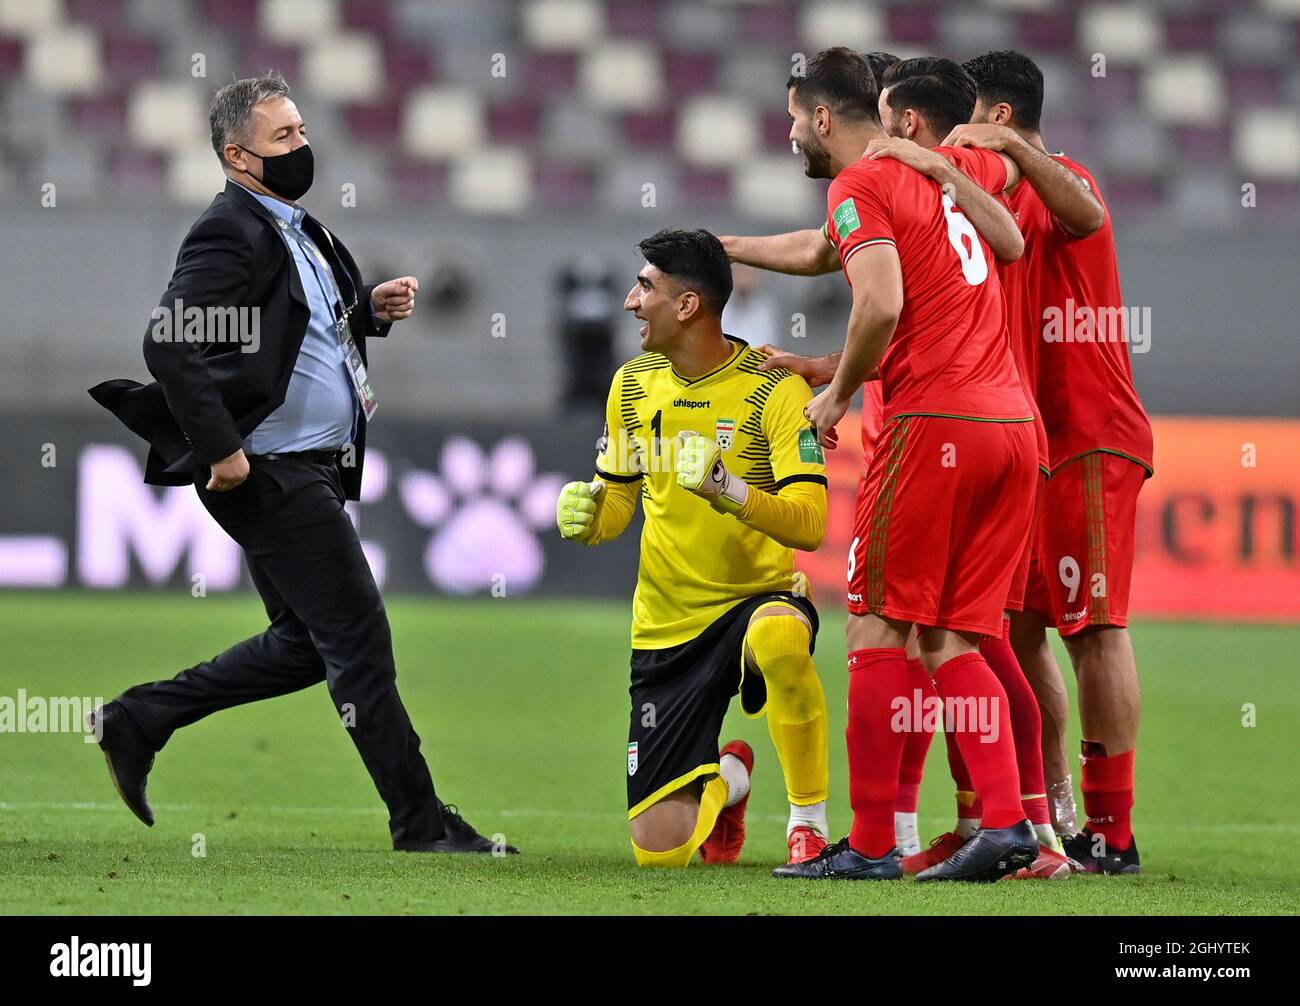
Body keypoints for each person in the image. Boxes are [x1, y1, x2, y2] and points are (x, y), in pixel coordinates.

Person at [86, 72, 509, 854]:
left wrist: (366, 314)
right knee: (360, 642)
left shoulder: (291, 226)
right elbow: (169, 341)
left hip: (304, 468)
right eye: (284, 138)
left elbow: (290, 334)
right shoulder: (231, 232)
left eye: (303, 131)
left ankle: (139, 718)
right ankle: (421, 825)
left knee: (308, 645)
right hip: (270, 471)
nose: (302, 147)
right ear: (236, 155)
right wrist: (223, 452)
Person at [750, 47, 1037, 882]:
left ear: (826, 117)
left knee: (875, 623)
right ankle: (1010, 824)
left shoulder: (860, 184)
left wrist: (835, 395)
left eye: (797, 116)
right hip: (1010, 427)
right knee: (952, 637)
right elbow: (1012, 240)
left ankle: (874, 842)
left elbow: (879, 303)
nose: (792, 131)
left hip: (935, 423)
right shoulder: (941, 169)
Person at [556, 229, 832, 867]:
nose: (629, 302)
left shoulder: (775, 390)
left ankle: (808, 825)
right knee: (662, 854)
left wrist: (728, 489)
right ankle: (731, 781)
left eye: (645, 287)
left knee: (781, 641)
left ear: (687, 307)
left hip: (755, 600)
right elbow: (619, 498)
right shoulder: (630, 387)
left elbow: (810, 525)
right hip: (665, 627)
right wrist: (591, 513)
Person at [953, 50, 1154, 874]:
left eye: (971, 115)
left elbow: (1090, 219)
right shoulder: (992, 188)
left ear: (998, 116)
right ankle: (1054, 810)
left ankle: (1114, 829)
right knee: (1019, 628)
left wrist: (1017, 151)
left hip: (1088, 436)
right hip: (1027, 439)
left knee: (1095, 629)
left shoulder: (1062, 174)